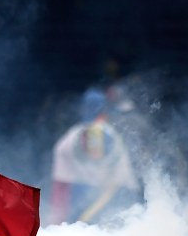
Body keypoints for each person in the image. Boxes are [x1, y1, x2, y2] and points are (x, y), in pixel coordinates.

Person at [48, 87, 140, 224]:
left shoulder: (66, 140)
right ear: (104, 112)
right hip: (111, 208)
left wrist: (56, 224)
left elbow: (60, 188)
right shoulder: (113, 137)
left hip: (84, 211)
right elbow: (125, 184)